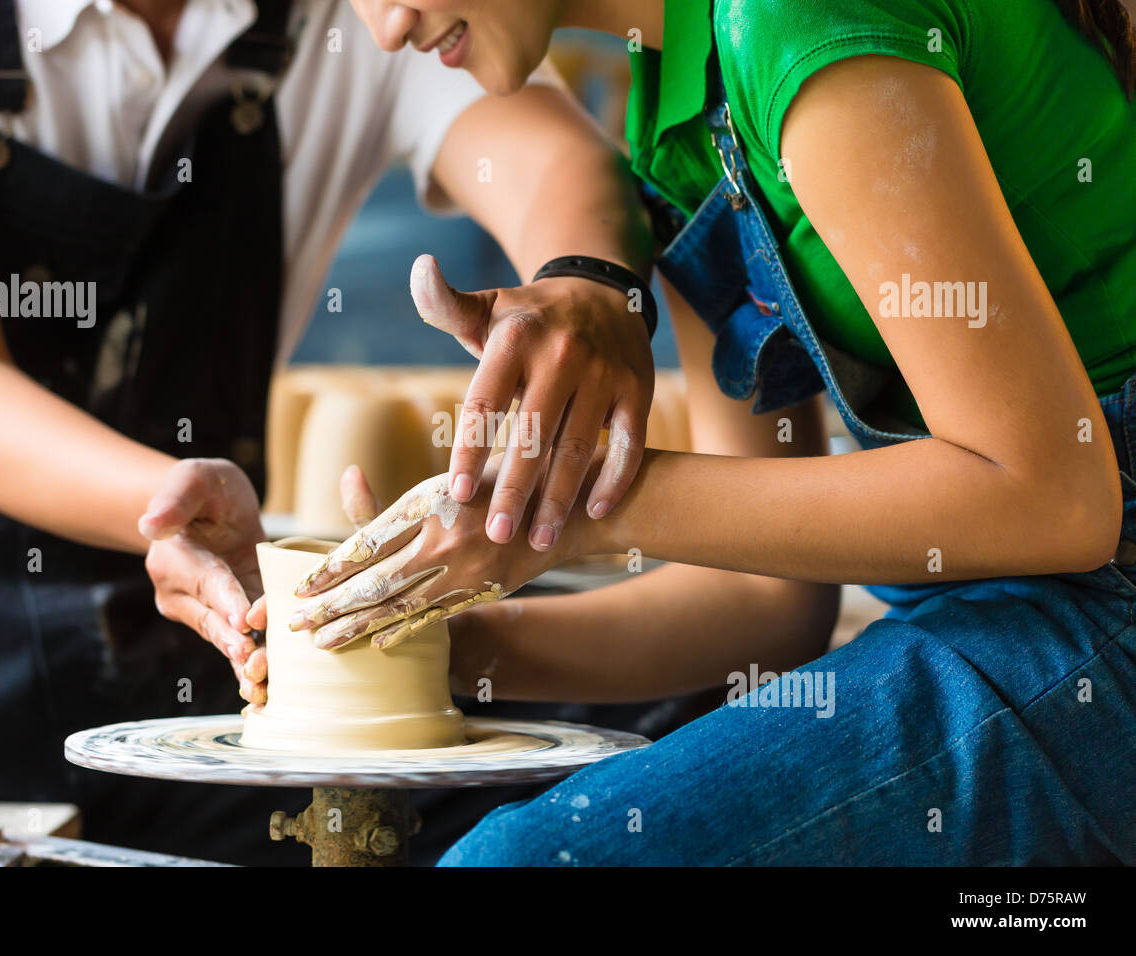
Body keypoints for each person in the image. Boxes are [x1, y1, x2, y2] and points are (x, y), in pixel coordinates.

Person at [308, 0, 1136, 863]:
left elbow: (1053, 500)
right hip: (983, 601)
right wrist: (436, 646)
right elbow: (766, 602)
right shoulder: (670, 118)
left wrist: (585, 505)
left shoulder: (795, 18)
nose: (387, 28)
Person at [0, 0, 661, 864]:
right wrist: (166, 503)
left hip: (215, 680)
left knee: (640, 764)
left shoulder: (364, 13)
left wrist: (583, 287)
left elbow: (559, 161)